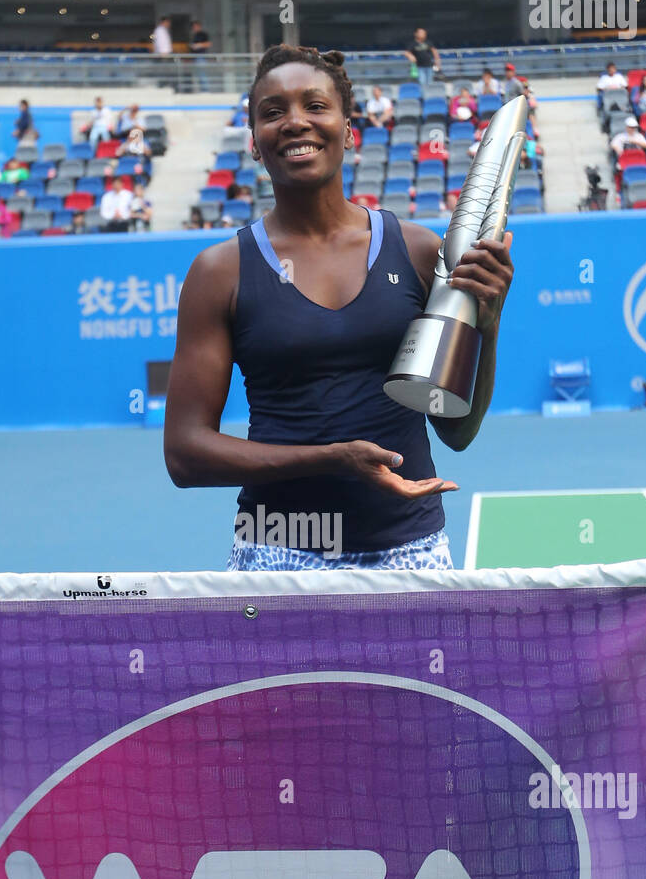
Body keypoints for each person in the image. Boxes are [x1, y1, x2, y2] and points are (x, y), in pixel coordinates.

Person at [163, 44, 514, 572]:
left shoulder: (419, 252)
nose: (295, 122)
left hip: (411, 555)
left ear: (349, 131)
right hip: (273, 554)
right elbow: (185, 455)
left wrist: (488, 323)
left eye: (315, 106)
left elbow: (456, 431)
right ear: (255, 142)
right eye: (273, 112)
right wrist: (333, 458)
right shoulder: (220, 272)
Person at [189, 19, 211, 92]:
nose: (194, 28)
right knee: (197, 75)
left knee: (203, 74)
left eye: (195, 27)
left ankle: (205, 90)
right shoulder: (194, 35)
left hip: (201, 57)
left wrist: (198, 45)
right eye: (193, 27)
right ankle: (200, 90)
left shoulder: (203, 34)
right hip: (194, 58)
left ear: (199, 26)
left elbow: (208, 44)